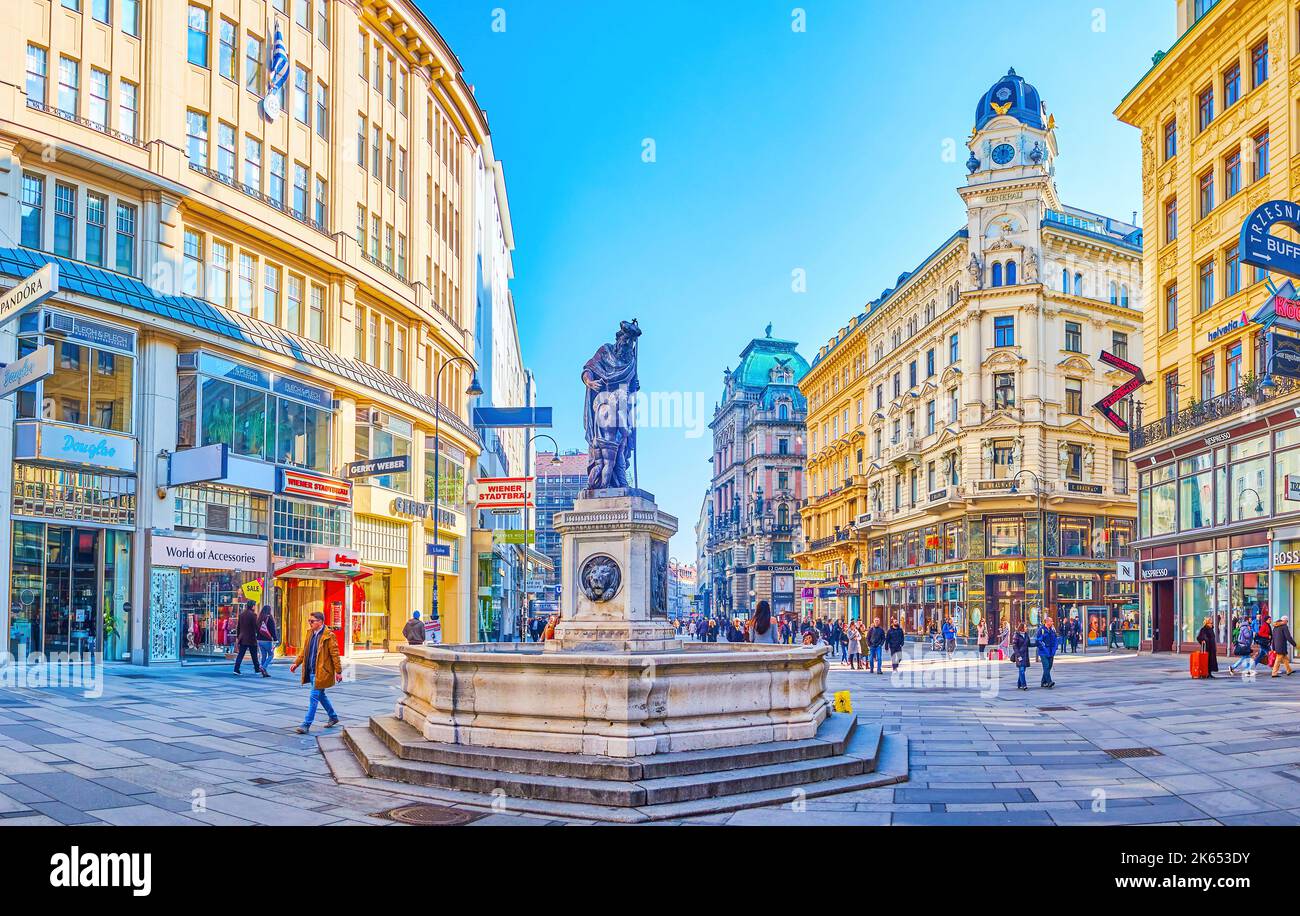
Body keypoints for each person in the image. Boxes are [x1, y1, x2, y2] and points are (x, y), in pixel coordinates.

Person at [290, 610, 341, 734]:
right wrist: (296, 663)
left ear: (320, 622)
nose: (310, 623)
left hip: (322, 672)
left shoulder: (329, 635)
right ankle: (333, 717)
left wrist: (338, 671)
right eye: (309, 621)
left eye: (312, 621)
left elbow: (335, 654)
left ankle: (305, 725)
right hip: (311, 671)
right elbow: (304, 651)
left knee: (314, 698)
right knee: (321, 696)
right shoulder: (310, 633)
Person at [233, 600, 266, 677]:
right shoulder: (253, 615)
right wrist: (259, 634)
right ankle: (257, 669)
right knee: (254, 655)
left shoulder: (242, 614)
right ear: (252, 606)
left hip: (243, 637)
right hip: (251, 637)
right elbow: (256, 626)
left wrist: (238, 636)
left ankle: (236, 669)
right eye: (254, 605)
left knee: (240, 654)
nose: (255, 607)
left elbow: (238, 627)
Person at [256, 605, 278, 674]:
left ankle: (264, 672)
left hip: (259, 640)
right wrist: (275, 639)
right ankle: (263, 667)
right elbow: (272, 630)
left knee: (264, 656)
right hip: (267, 640)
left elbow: (256, 629)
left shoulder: (259, 618)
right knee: (271, 655)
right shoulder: (269, 618)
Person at [1037, 616, 1058, 688]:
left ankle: (1043, 682)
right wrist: (1044, 648)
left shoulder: (1052, 629)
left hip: (1051, 651)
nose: (1052, 622)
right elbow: (1039, 641)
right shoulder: (1041, 630)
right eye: (1051, 621)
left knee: (1049, 666)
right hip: (1043, 652)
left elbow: (1055, 639)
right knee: (1046, 666)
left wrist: (1055, 648)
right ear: (1047, 622)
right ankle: (1049, 682)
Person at [1011, 624, 1029, 690]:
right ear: (1022, 628)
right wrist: (1018, 656)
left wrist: (1038, 643)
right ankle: (1024, 685)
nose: (1026, 628)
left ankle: (1019, 683)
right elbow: (1014, 646)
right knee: (1021, 670)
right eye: (1025, 627)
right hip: (1019, 655)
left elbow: (1028, 644)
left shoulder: (1026, 635)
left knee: (1023, 670)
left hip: (1025, 655)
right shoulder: (1016, 635)